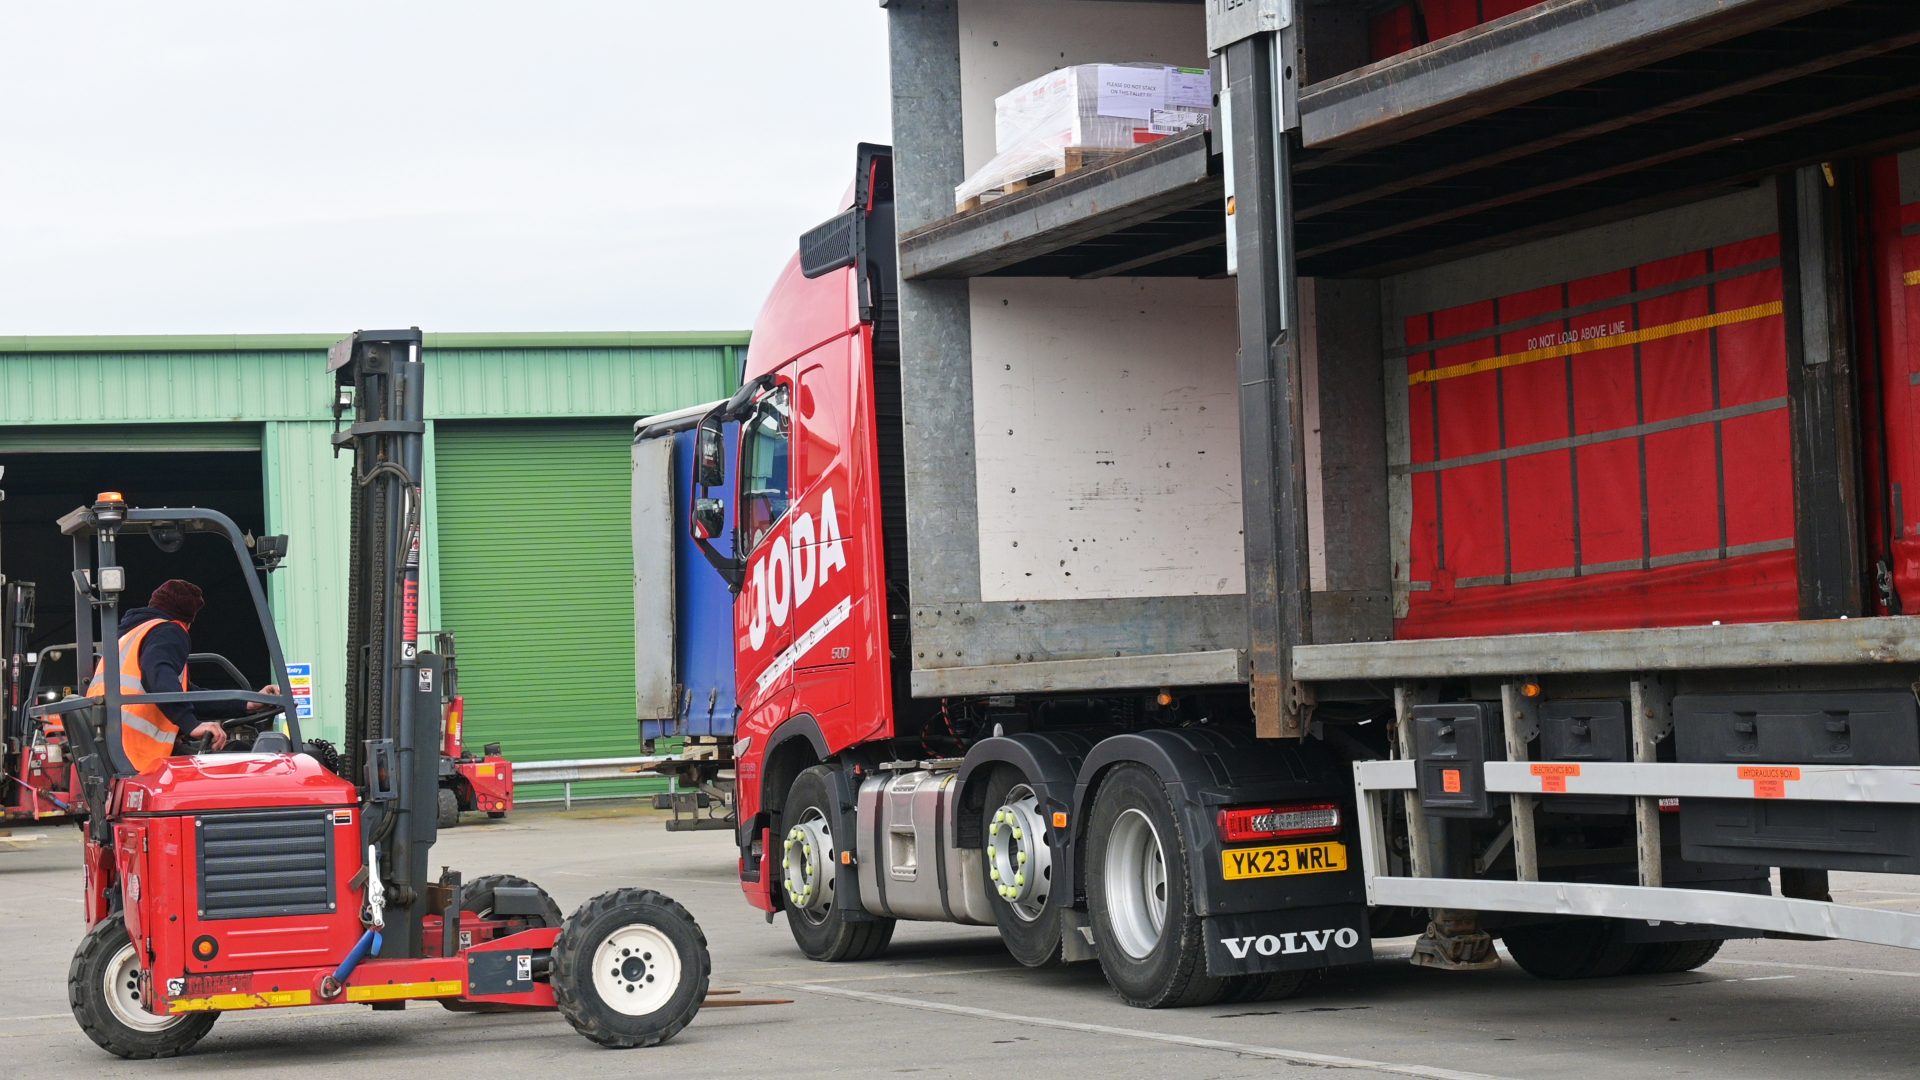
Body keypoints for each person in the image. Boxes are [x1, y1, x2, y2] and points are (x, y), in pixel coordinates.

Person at [85, 579, 279, 772]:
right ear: (187, 619)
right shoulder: (168, 630)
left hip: (113, 744)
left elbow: (187, 694)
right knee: (244, 761)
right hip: (137, 751)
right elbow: (158, 676)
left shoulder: (131, 635)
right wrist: (191, 724)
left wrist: (246, 703)